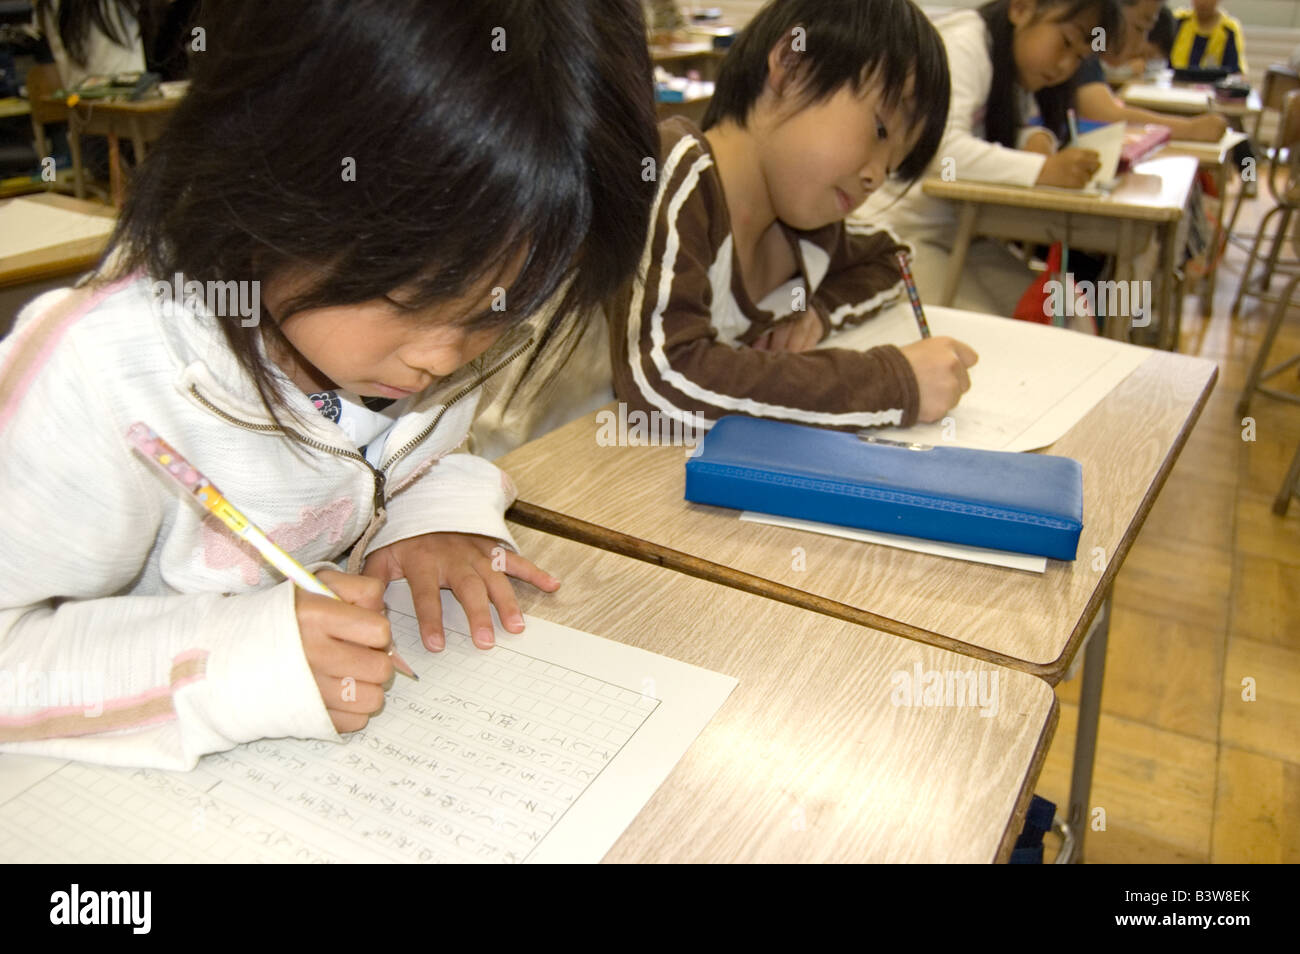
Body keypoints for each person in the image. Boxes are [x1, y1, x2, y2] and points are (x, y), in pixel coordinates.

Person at [0, 0, 658, 769]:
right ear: (275, 174)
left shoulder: (406, 337)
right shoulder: (103, 375)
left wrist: (429, 513)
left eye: (496, 317)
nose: (444, 362)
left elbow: (400, 458)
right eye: (414, 298)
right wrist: (243, 657)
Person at [609, 0, 977, 433]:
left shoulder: (810, 231)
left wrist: (820, 312)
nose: (876, 176)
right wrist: (891, 382)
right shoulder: (676, 169)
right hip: (562, 471)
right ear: (792, 64)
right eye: (880, 130)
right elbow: (662, 382)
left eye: (893, 166)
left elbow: (890, 261)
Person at [853, 0, 1120, 317]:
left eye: (1079, 58)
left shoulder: (1016, 69)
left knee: (1068, 309)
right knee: (984, 332)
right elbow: (943, 149)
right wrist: (1042, 169)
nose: (1066, 66)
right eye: (1065, 42)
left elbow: (996, 131)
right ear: (1021, 8)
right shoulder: (966, 43)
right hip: (898, 231)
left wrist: (1034, 139)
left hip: (961, 234)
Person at [1075, 0, 1226, 141]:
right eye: (1140, 27)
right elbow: (1104, 114)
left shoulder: (1091, 53)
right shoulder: (1081, 51)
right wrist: (1190, 129)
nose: (1141, 45)